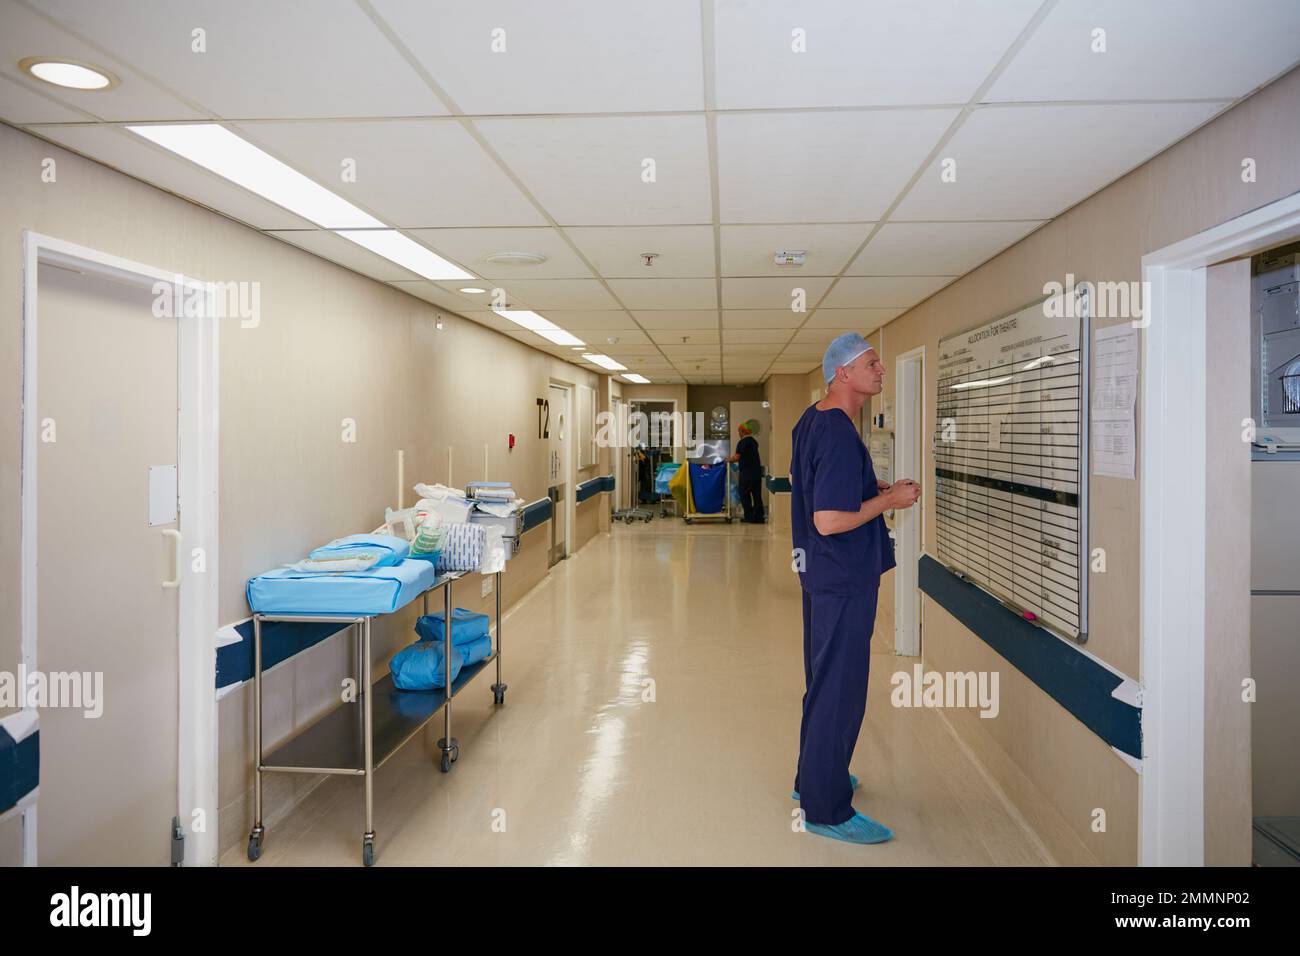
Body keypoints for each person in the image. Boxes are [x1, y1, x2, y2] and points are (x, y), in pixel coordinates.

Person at [789, 332, 921, 845]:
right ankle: (826, 809)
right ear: (842, 374)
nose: (882, 370)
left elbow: (828, 494)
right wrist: (887, 504)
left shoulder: (812, 420)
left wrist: (875, 491)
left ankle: (814, 779)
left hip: (822, 577)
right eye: (872, 363)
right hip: (842, 579)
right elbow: (827, 519)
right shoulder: (840, 433)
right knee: (838, 690)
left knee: (823, 682)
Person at [726, 421, 766, 523]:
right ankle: (759, 517)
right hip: (756, 473)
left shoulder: (743, 442)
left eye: (739, 431)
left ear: (743, 431)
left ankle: (749, 517)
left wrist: (727, 460)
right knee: (756, 495)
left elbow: (737, 457)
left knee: (743, 494)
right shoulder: (753, 441)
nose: (738, 433)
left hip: (747, 474)